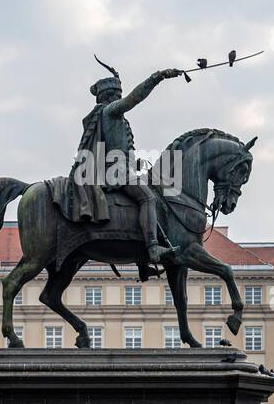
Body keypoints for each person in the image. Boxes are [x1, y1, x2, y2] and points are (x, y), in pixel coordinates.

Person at [63, 62, 187, 264]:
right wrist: (157, 77)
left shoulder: (117, 119)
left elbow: (120, 150)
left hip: (124, 169)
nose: (121, 99)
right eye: (118, 95)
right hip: (116, 172)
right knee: (148, 199)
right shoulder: (110, 112)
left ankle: (143, 259)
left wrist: (136, 165)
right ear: (111, 96)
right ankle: (153, 248)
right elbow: (134, 98)